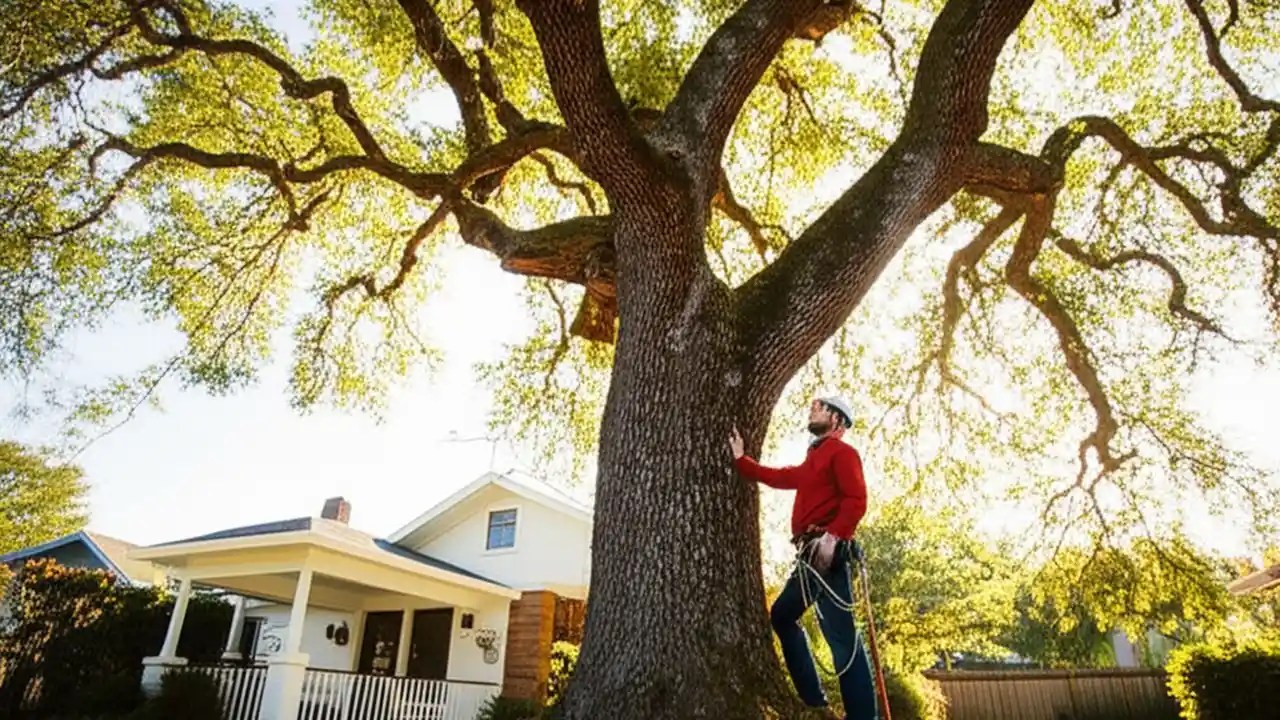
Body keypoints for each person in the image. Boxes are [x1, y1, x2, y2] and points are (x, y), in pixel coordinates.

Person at [729, 396, 877, 720]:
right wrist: (742, 461)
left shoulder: (843, 453)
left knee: (842, 640)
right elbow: (781, 477)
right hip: (810, 557)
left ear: (837, 421)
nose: (812, 410)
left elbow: (857, 499)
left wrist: (833, 536)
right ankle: (814, 701)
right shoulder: (815, 459)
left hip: (828, 555)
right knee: (782, 615)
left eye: (820, 407)